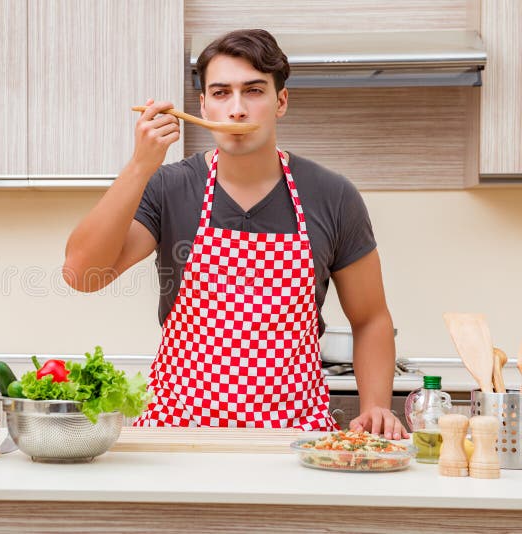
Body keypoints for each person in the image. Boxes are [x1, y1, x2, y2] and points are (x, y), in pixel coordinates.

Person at [63, 29, 407, 438]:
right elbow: (82, 274)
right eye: (222, 93)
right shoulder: (169, 188)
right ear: (203, 104)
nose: (237, 110)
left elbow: (370, 319)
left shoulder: (332, 195)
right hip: (178, 435)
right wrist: (140, 165)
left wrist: (376, 407)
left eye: (254, 91)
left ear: (281, 101)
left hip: (295, 437)